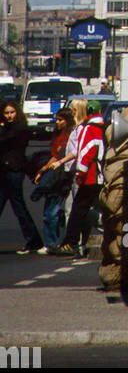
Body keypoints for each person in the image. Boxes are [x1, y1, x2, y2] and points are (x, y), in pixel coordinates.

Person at [54, 103, 105, 258]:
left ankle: (71, 243)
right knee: (83, 209)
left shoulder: (90, 128)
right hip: (94, 175)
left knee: (79, 210)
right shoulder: (99, 127)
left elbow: (86, 153)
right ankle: (71, 242)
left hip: (90, 176)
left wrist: (81, 174)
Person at [0, 100, 42, 254]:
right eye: (6, 113)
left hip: (14, 171)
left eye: (12, 112)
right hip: (3, 171)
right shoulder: (6, 128)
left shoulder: (20, 128)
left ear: (17, 112)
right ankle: (34, 240)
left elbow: (5, 141)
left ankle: (34, 241)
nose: (9, 116)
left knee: (19, 207)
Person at [33, 108, 74, 253]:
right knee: (50, 210)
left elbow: (59, 156)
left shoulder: (70, 136)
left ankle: (53, 243)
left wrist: (44, 169)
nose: (57, 123)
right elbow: (53, 155)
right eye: (56, 119)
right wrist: (43, 170)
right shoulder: (57, 136)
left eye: (60, 120)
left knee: (52, 211)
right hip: (53, 175)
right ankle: (52, 241)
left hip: (61, 176)